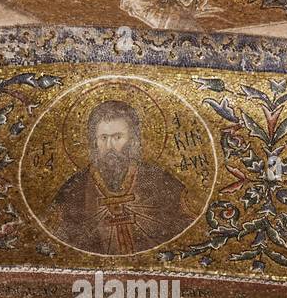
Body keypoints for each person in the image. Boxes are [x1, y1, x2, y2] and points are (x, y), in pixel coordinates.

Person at [51, 100, 194, 255]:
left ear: (132, 140)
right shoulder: (73, 190)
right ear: (94, 142)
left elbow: (186, 230)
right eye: (103, 138)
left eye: (117, 137)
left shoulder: (161, 182)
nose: (110, 146)